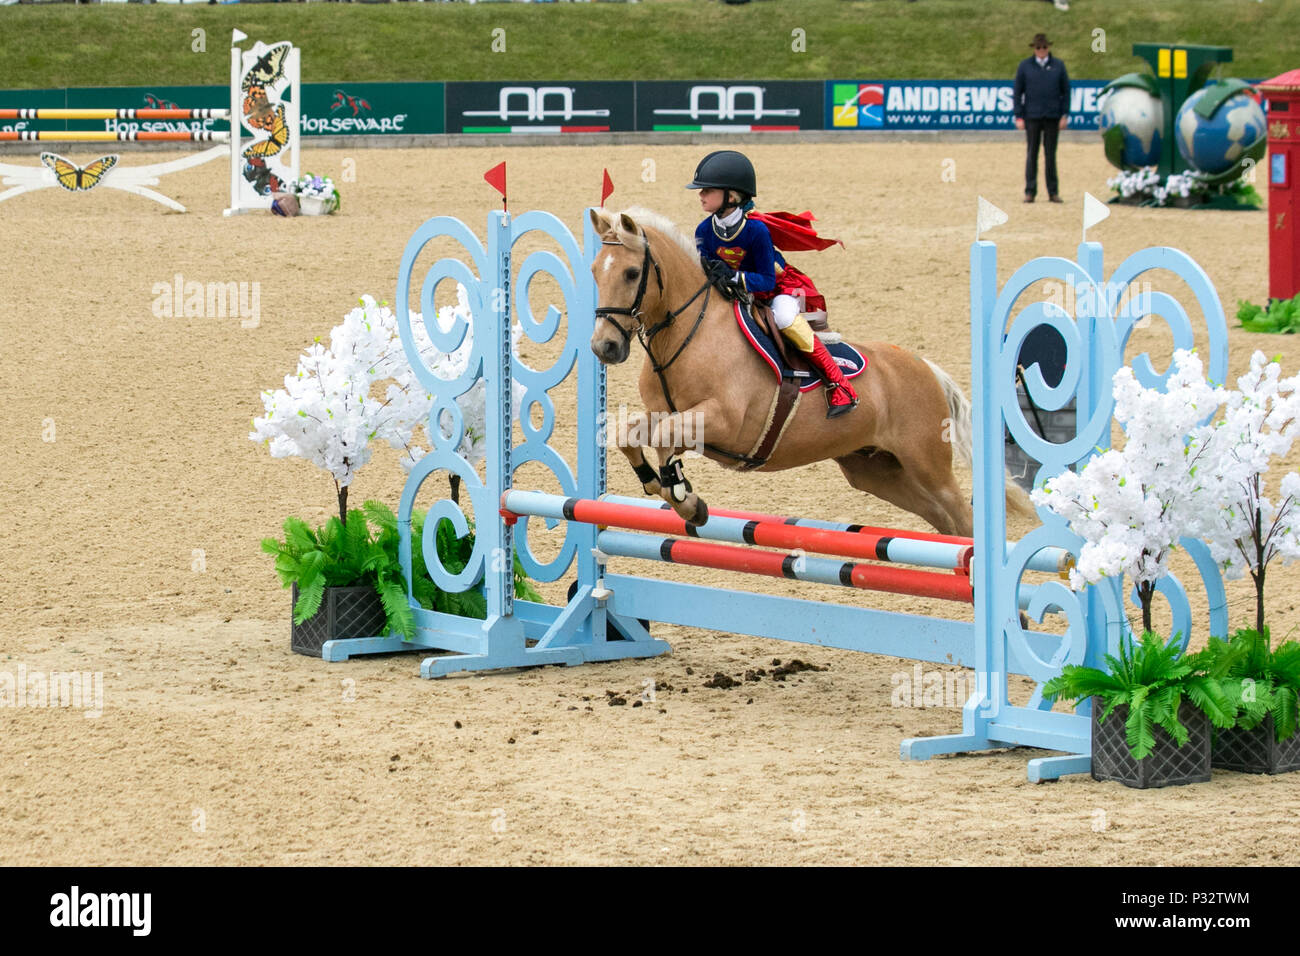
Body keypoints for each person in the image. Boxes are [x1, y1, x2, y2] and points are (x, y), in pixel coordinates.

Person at [685, 150, 858, 418]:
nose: (700, 195)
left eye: (707, 190)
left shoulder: (756, 231)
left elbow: (765, 280)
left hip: (776, 289)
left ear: (731, 196)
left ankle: (840, 385)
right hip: (736, 292)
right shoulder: (703, 231)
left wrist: (732, 276)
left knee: (786, 318)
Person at [1013, 33, 1070, 203]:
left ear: (1048, 48)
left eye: (1044, 47)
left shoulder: (1058, 66)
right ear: (1034, 49)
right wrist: (1018, 116)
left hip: (1052, 116)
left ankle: (1053, 191)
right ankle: (1030, 191)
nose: (1041, 50)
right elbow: (1017, 92)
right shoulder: (1025, 66)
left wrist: (1064, 114)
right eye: (1038, 48)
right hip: (1032, 116)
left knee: (1051, 154)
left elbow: (1065, 92)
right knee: (1032, 153)